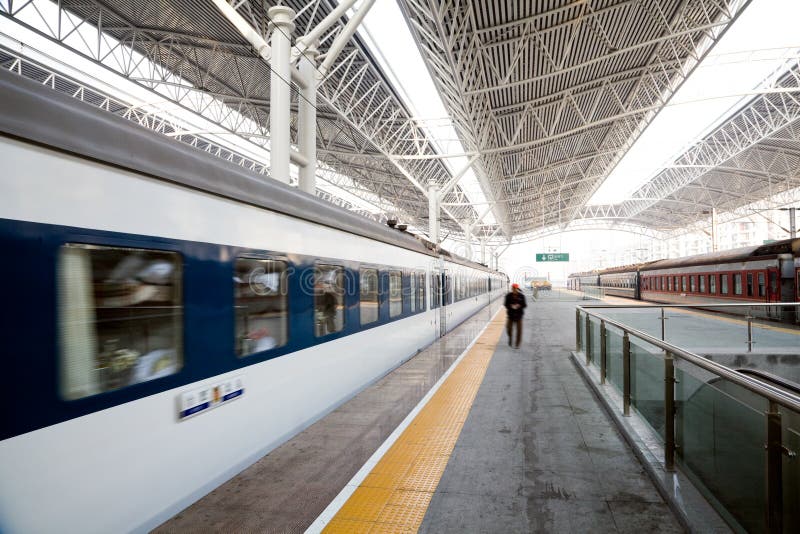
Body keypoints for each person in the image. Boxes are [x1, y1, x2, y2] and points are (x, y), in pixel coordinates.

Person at [504, 283, 526, 348]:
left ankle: (517, 344)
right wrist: (511, 306)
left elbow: (524, 305)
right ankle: (510, 339)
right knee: (508, 329)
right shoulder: (508, 296)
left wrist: (519, 305)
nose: (514, 289)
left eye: (515, 288)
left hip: (519, 316)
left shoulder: (522, 296)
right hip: (510, 315)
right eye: (513, 288)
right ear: (512, 288)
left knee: (519, 330)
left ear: (517, 289)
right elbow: (505, 304)